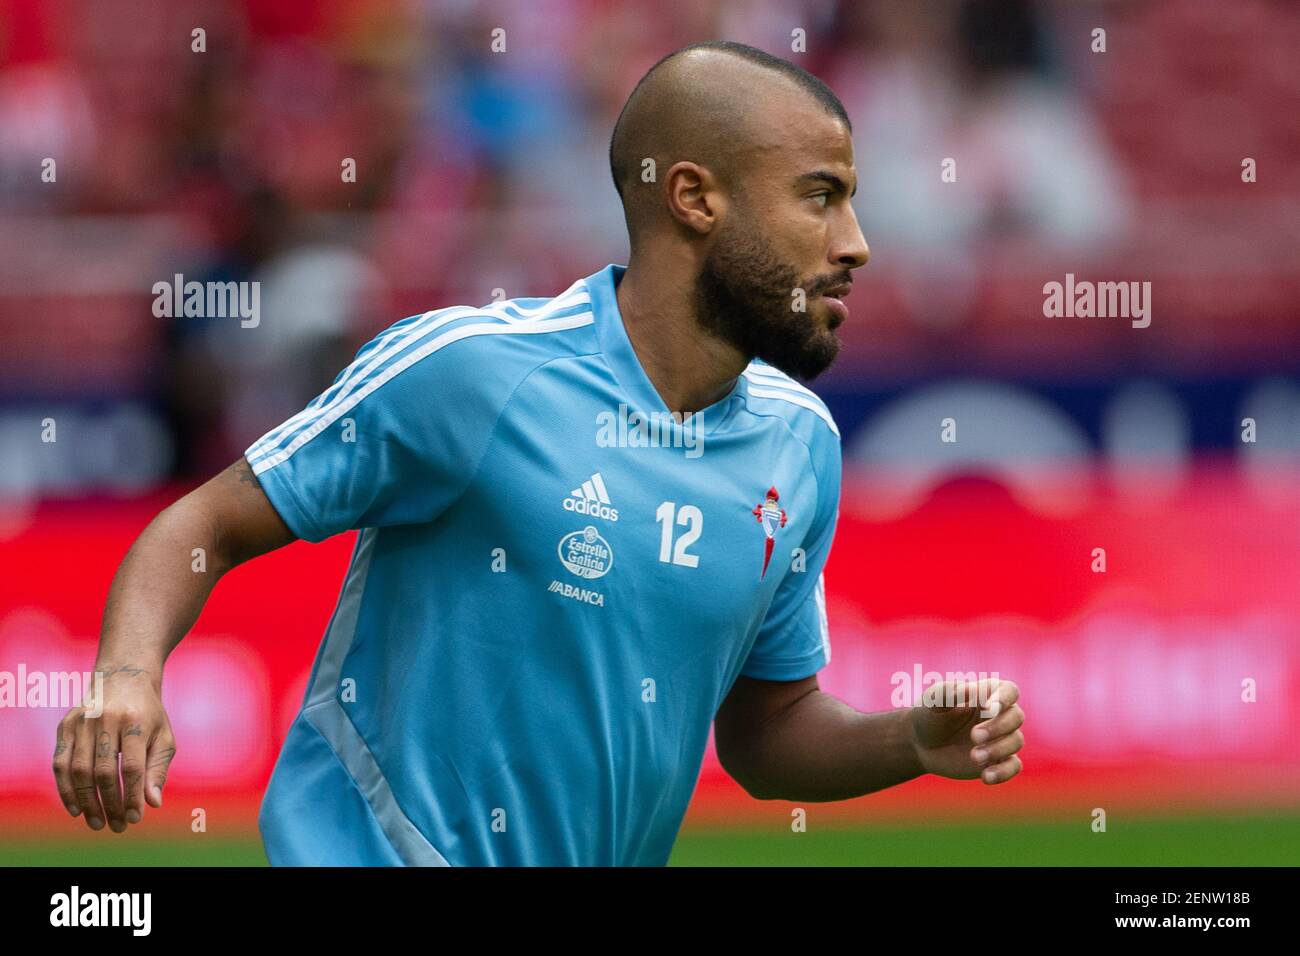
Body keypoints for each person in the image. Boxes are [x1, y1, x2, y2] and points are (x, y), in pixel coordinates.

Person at [53, 41, 1024, 866]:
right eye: (820, 197)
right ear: (693, 197)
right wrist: (129, 676)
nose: (854, 243)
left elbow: (766, 734)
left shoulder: (798, 443)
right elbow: (205, 520)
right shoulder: (473, 372)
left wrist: (911, 738)